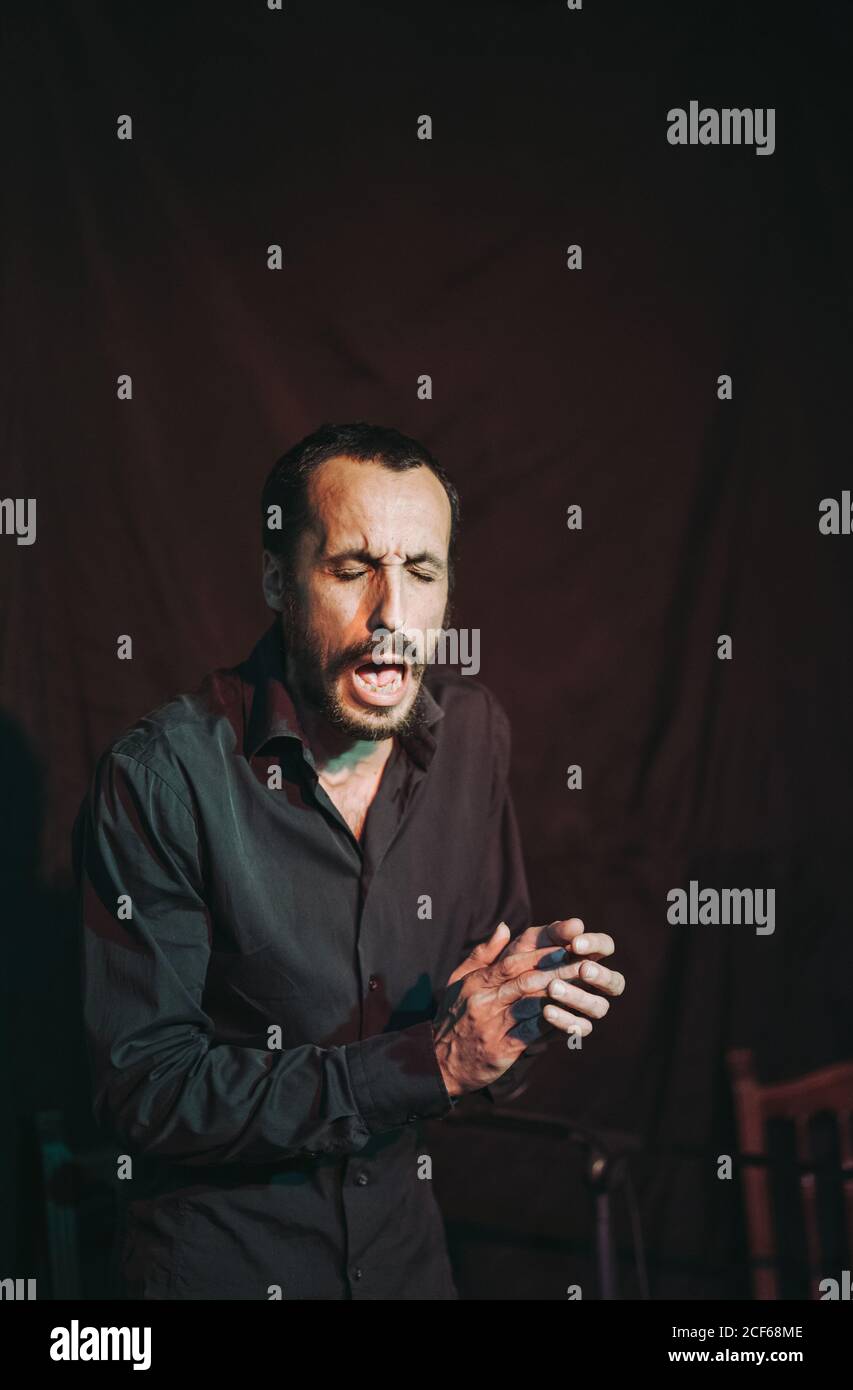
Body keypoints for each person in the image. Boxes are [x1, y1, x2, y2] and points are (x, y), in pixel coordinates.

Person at [72, 421, 626, 1300]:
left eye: (421, 571)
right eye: (350, 569)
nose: (391, 615)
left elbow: (478, 1036)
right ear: (277, 581)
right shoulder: (161, 776)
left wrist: (518, 1016)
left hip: (408, 1267)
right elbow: (146, 1090)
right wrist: (425, 1064)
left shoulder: (473, 737)